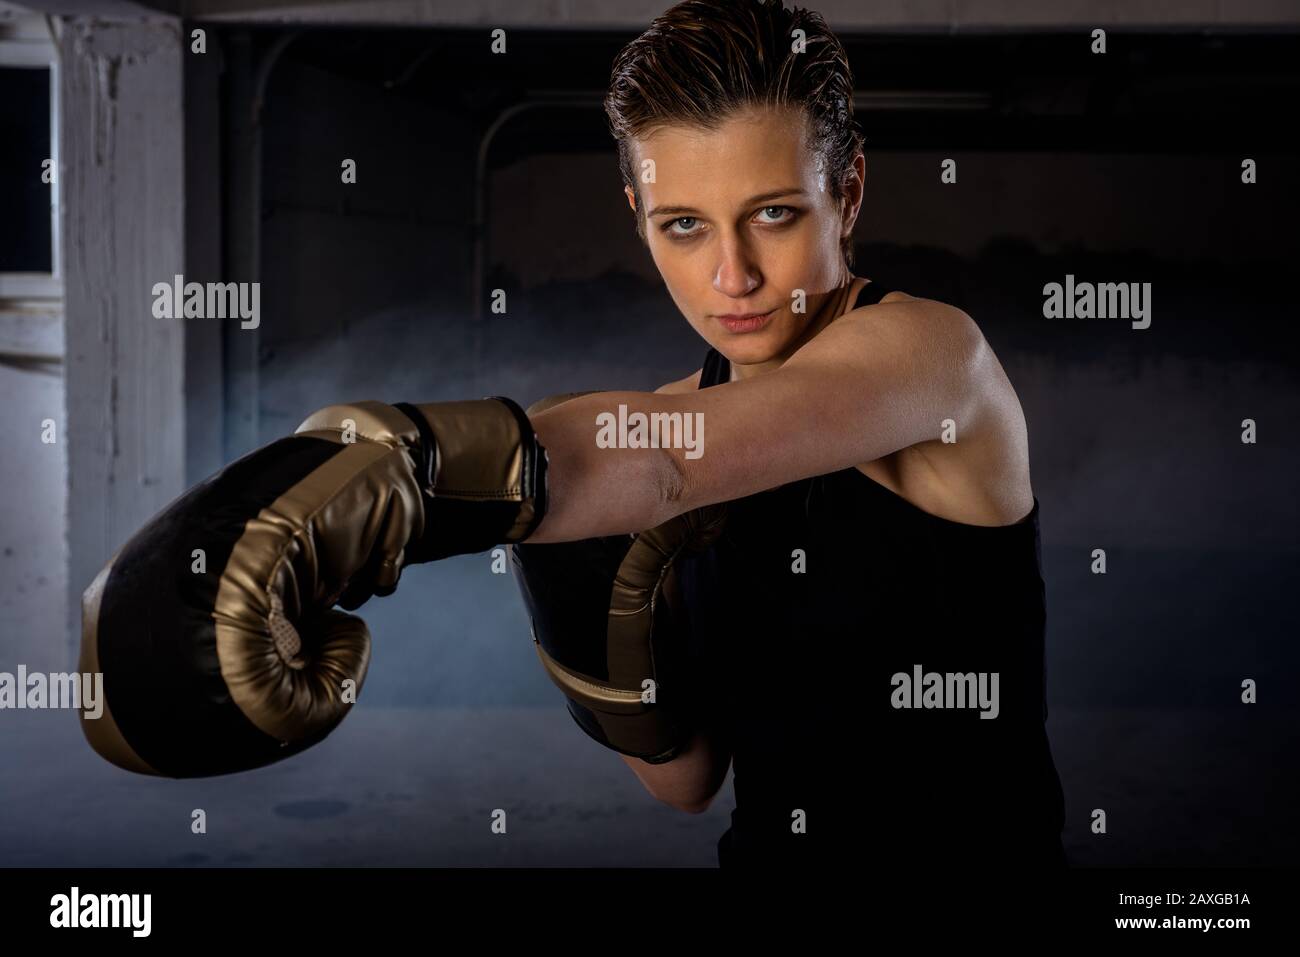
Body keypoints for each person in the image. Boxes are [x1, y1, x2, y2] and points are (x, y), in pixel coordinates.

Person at [81, 0, 1065, 872]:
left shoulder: (929, 357)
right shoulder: (670, 434)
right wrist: (584, 610)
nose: (733, 276)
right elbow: (687, 785)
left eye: (771, 214)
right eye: (684, 225)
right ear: (637, 217)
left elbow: (663, 458)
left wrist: (398, 475)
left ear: (847, 191)